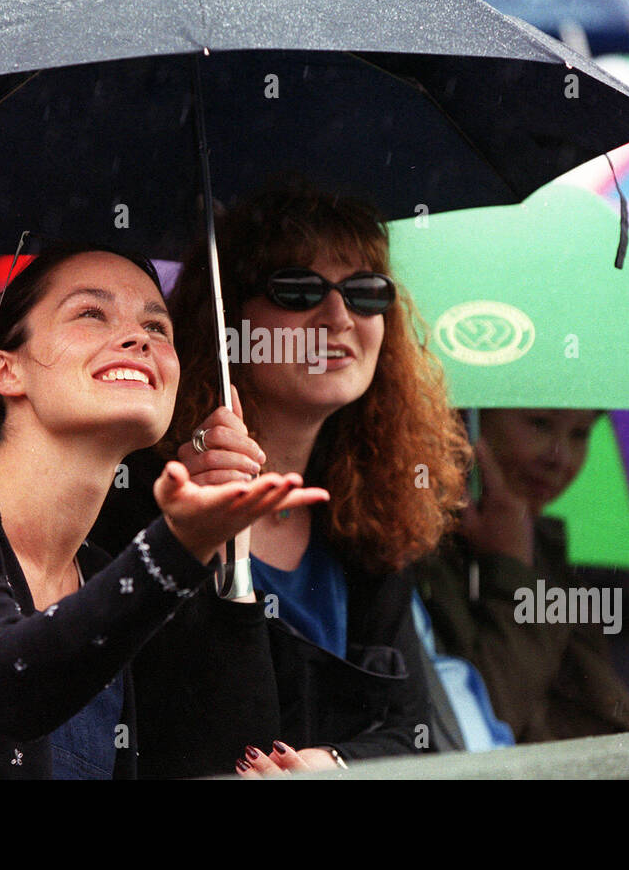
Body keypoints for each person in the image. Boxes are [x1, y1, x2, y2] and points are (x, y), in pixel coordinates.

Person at [0, 243, 326, 779]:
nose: (140, 338)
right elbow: (4, 681)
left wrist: (232, 549)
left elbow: (218, 756)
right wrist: (177, 547)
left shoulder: (98, 569)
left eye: (158, 327)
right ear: (5, 370)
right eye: (91, 313)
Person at [91, 184, 471, 776]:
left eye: (366, 293)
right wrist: (191, 542)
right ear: (226, 321)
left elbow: (413, 729)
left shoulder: (372, 504)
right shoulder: (138, 493)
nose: (339, 317)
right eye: (299, 290)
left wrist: (332, 763)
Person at [416, 408, 629, 743]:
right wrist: (511, 567)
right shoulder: (420, 556)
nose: (560, 457)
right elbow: (480, 724)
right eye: (540, 424)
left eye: (580, 433)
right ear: (465, 422)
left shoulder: (546, 554)